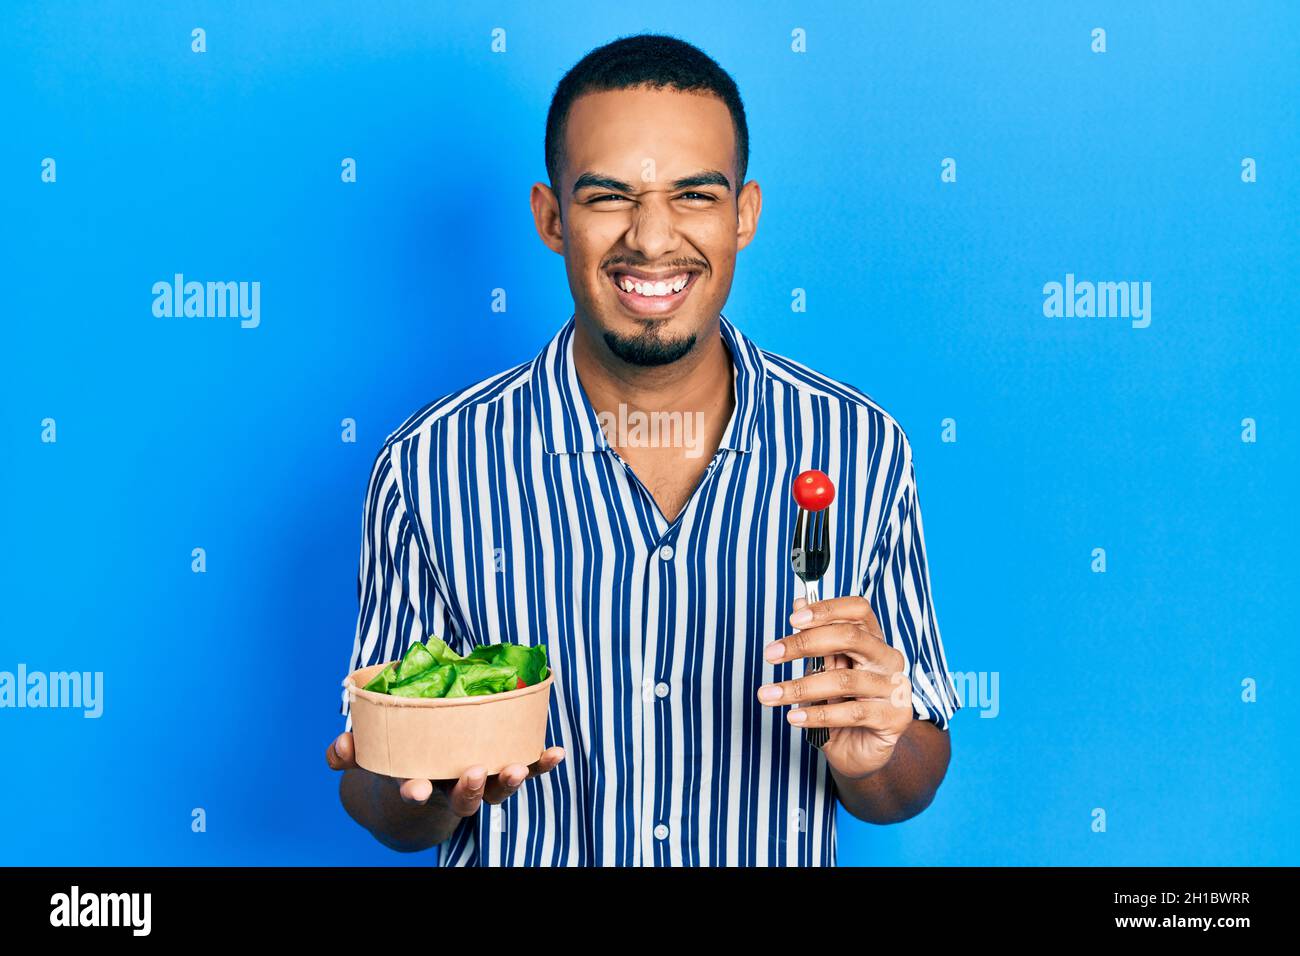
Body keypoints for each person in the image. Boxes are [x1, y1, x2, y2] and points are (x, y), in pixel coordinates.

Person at [326, 32, 960, 866]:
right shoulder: (428, 467)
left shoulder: (861, 448)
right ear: (552, 217)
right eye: (608, 197)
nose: (652, 239)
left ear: (745, 214)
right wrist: (424, 791)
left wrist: (874, 754)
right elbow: (377, 792)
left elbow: (910, 774)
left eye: (695, 195)